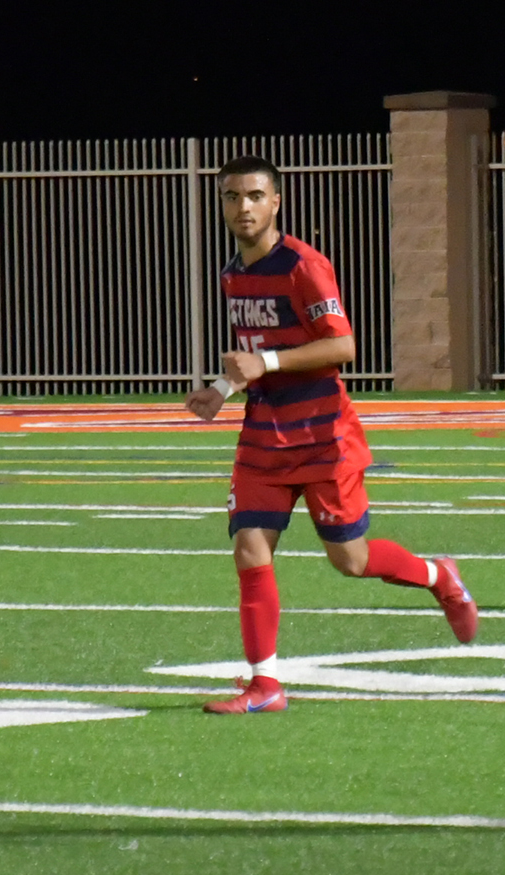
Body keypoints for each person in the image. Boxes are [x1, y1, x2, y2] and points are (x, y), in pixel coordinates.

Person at [183, 155, 478, 714]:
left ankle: (440, 576)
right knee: (249, 550)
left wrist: (264, 362)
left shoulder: (304, 266)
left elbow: (343, 347)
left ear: (275, 202)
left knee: (352, 561)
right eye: (231, 197)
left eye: (253, 196)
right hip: (263, 437)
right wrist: (222, 388)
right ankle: (265, 685)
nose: (242, 207)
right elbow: (254, 354)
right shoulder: (232, 273)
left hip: (322, 435)